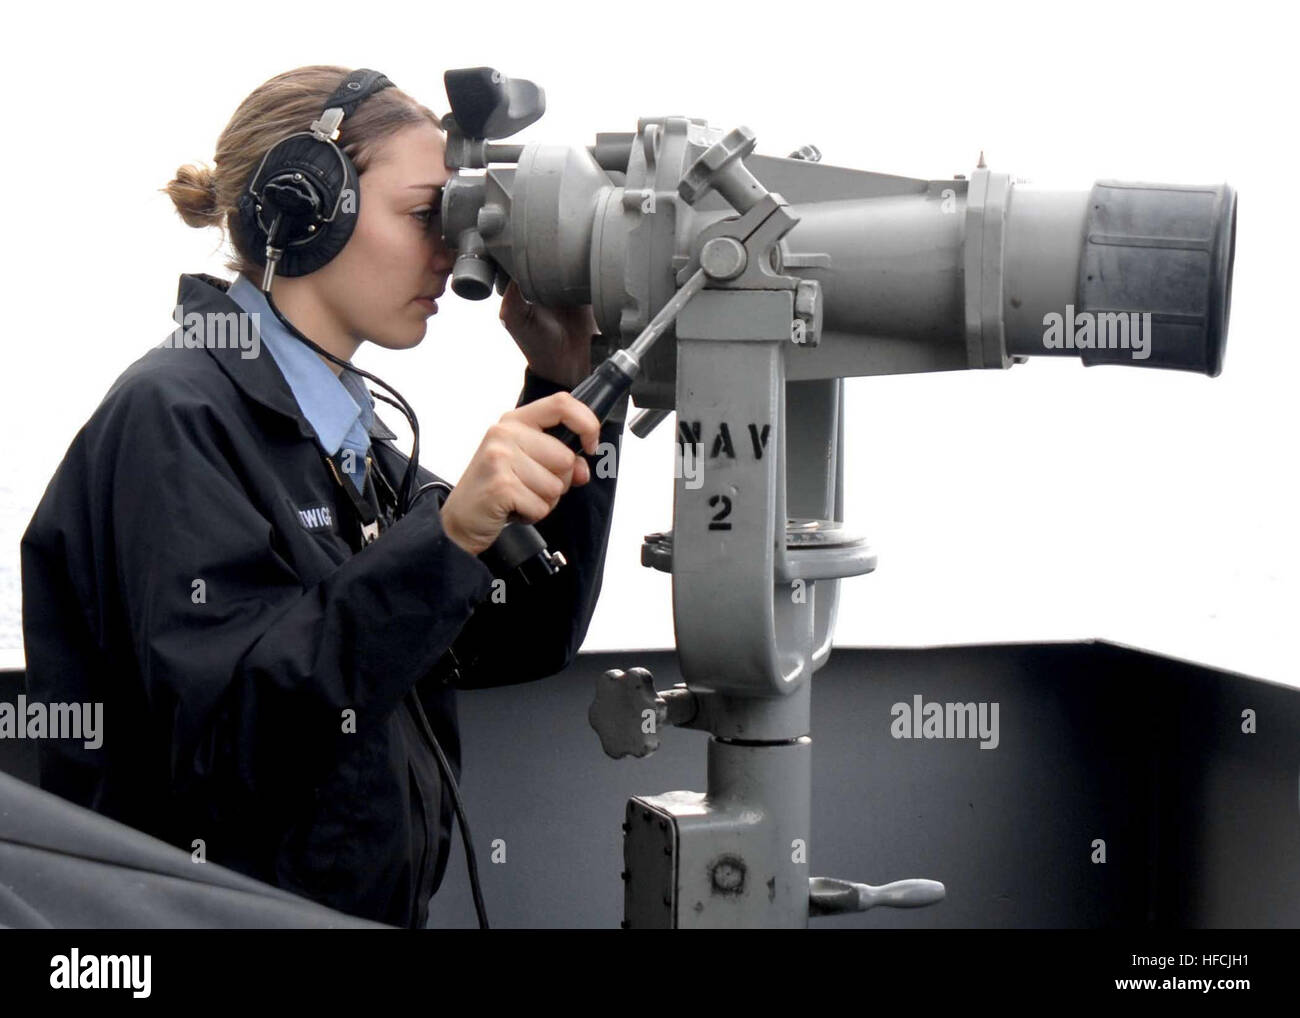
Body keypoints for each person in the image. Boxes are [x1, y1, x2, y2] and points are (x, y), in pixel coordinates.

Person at [19, 65, 623, 929]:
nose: (451, 255)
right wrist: (442, 543)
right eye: (425, 216)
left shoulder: (351, 436)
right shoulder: (175, 419)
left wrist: (564, 386)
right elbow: (226, 746)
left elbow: (521, 634)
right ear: (304, 209)